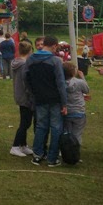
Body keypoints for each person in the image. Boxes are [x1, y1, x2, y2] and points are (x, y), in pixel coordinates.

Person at [25, 35, 67, 167]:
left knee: (40, 126)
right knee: (56, 128)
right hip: (54, 98)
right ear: (54, 46)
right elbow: (60, 83)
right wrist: (64, 103)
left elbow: (26, 78)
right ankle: (52, 158)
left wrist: (32, 94)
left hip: (39, 97)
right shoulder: (55, 61)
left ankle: (37, 155)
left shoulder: (31, 58)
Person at [9, 41, 34, 157]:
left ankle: (23, 145)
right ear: (30, 51)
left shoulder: (16, 62)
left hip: (19, 94)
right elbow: (26, 81)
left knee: (25, 120)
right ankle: (15, 146)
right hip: (25, 95)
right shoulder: (24, 64)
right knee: (25, 122)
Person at [63, 61, 89, 145]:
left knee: (67, 132)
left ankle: (66, 149)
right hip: (78, 111)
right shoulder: (79, 82)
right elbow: (86, 90)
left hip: (67, 111)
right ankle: (74, 152)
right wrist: (82, 78)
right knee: (77, 133)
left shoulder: (61, 83)